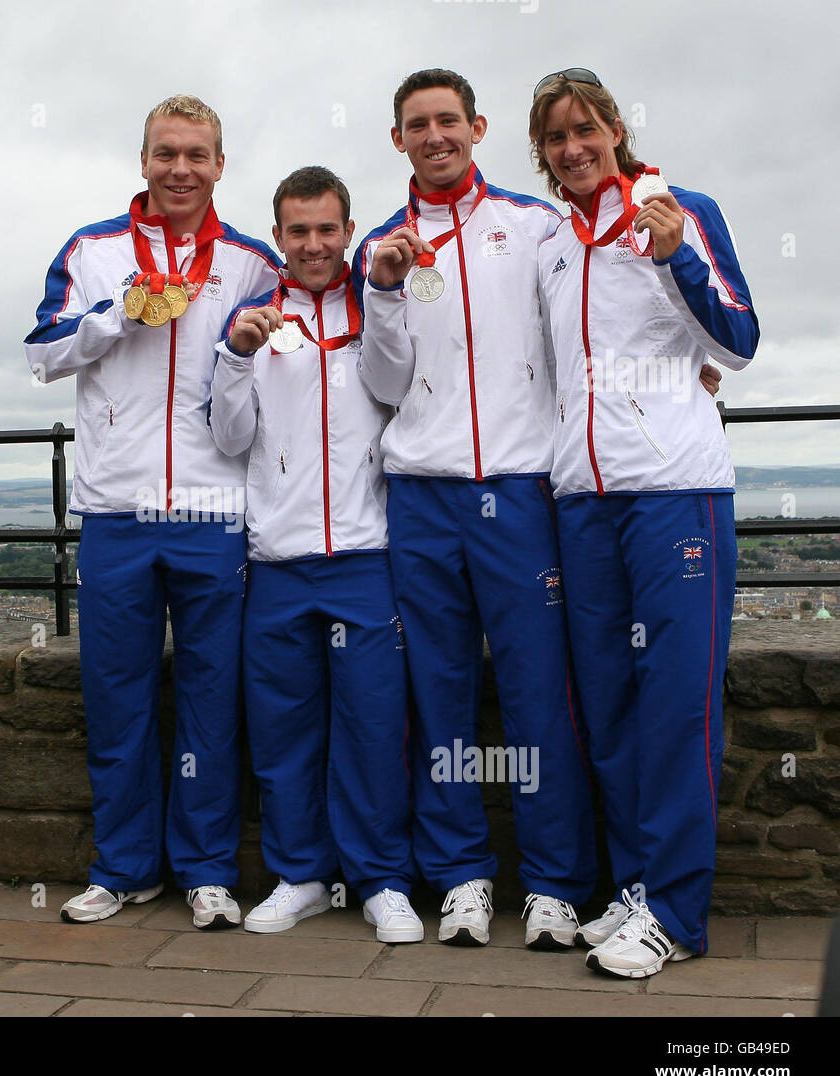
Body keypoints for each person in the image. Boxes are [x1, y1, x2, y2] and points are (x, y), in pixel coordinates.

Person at [355, 69, 597, 950]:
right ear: (398, 140)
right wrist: (382, 292)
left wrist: (685, 362)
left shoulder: (535, 227)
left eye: (448, 120)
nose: (434, 136)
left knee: (540, 692)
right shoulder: (382, 246)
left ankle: (556, 885)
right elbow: (381, 385)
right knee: (439, 692)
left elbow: (582, 329)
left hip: (520, 491)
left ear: (477, 126)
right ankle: (459, 875)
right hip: (419, 494)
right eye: (416, 124)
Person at [25, 96, 280, 928]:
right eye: (167, 153)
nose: (181, 169)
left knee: (213, 701)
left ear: (220, 165)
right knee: (119, 700)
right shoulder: (92, 250)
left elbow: (294, 363)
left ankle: (206, 871)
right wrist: (115, 315)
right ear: (143, 160)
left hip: (216, 510)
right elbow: (41, 356)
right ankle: (124, 867)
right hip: (117, 509)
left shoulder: (249, 262)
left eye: (198, 155)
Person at [528, 69, 758, 977]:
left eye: (586, 129)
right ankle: (636, 884)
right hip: (583, 497)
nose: (575, 148)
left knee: (676, 706)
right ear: (542, 153)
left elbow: (737, 343)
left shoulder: (678, 208)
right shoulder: (553, 240)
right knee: (611, 706)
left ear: (616, 128)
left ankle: (677, 911)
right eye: (556, 138)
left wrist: (677, 260)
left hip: (674, 493)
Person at [210, 166, 419, 942]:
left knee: (373, 729)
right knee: (282, 732)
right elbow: (229, 438)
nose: (314, 245)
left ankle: (382, 881)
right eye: (298, 231)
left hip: (366, 555)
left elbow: (397, 388)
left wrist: (388, 303)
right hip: (277, 560)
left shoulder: (374, 305)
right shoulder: (250, 321)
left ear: (348, 231)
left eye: (328, 230)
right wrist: (234, 357)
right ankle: (298, 874)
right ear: (278, 238)